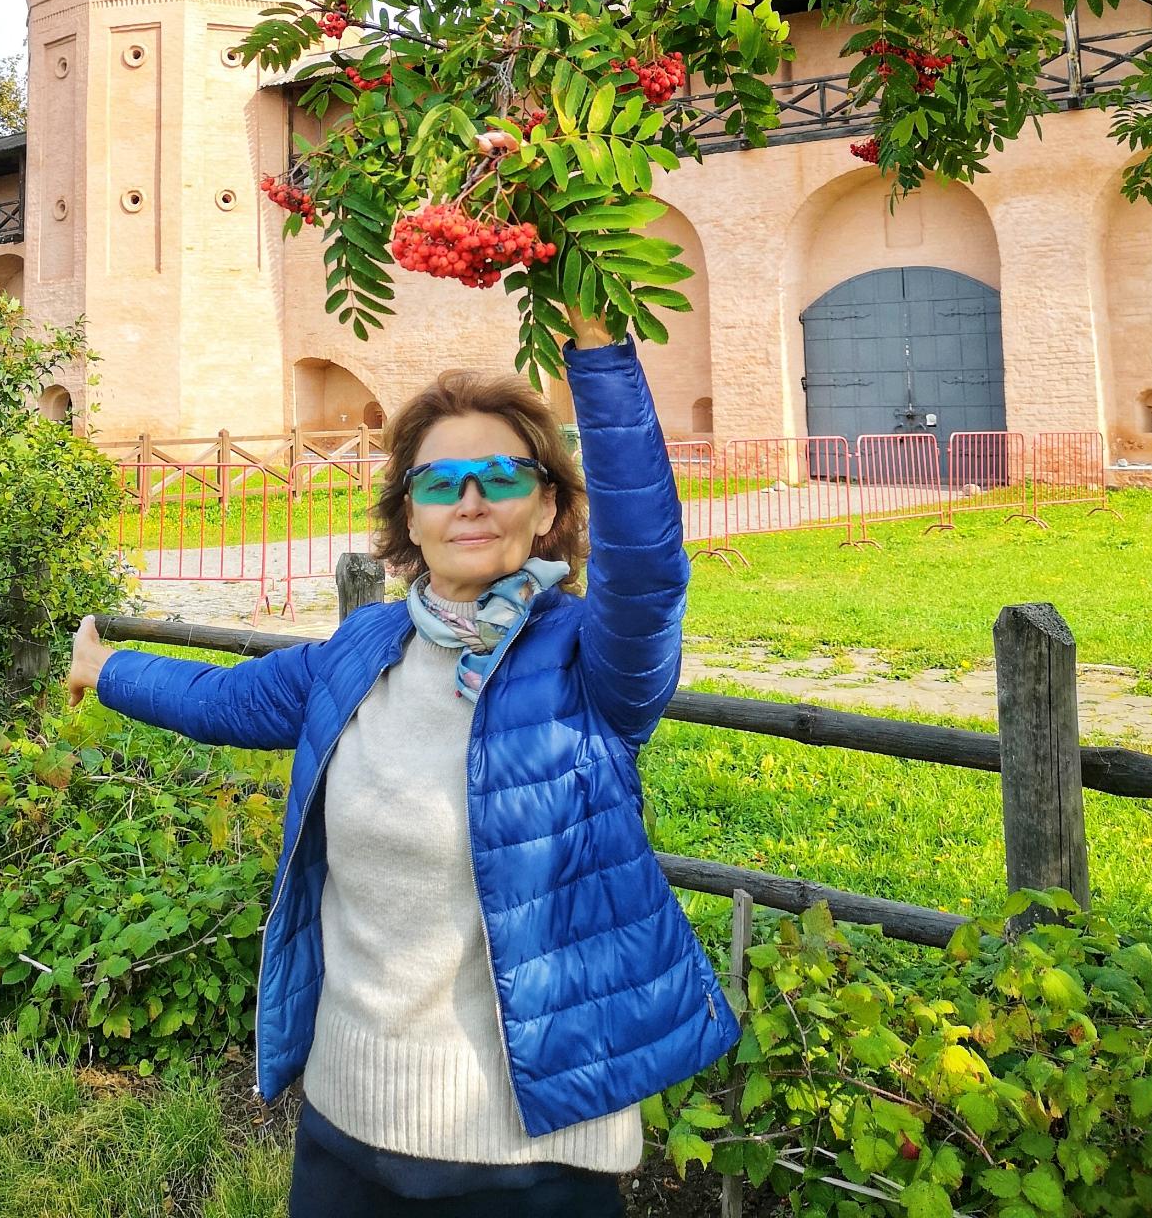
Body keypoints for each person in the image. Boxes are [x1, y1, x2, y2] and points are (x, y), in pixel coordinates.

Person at [68, 306, 739, 1215]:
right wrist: (106, 668)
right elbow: (226, 701)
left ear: (546, 510)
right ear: (407, 517)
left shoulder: (591, 664)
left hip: (533, 1158)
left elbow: (651, 568)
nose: (470, 499)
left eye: (502, 476)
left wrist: (595, 349)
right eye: (441, 481)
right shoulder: (362, 651)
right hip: (346, 1134)